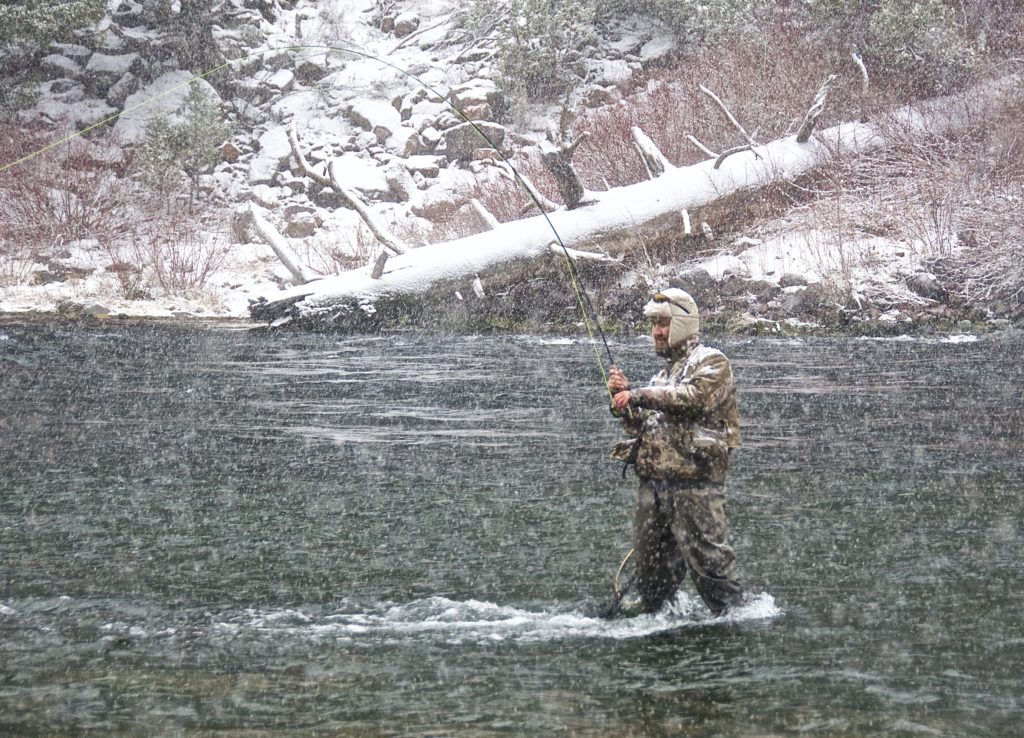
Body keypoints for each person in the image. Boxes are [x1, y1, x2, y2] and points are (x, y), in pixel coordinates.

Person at [607, 287, 744, 616]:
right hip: (654, 489)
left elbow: (692, 398)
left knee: (711, 568)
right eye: (653, 324)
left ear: (683, 323)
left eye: (663, 323)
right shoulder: (662, 375)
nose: (656, 331)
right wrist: (623, 401)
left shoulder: (712, 361)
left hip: (694, 487)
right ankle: (653, 619)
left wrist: (637, 394)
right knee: (651, 574)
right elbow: (643, 427)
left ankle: (734, 622)